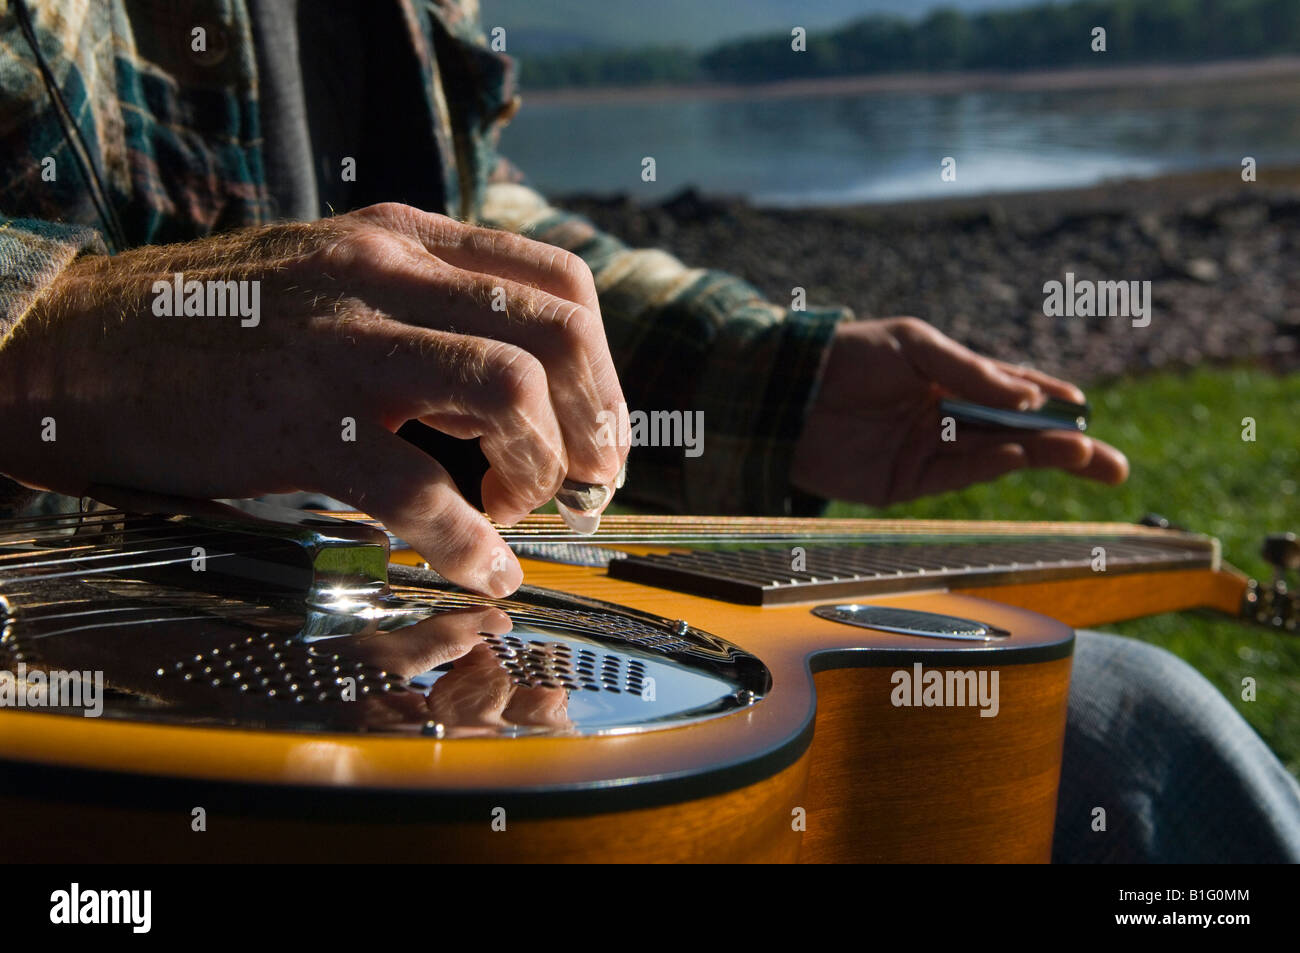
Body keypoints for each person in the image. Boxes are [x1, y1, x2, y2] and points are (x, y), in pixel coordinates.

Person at [0, 0, 1295, 861]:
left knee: (1135, 742)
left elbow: (460, 229)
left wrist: (783, 382)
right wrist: (86, 344)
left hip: (403, 652)